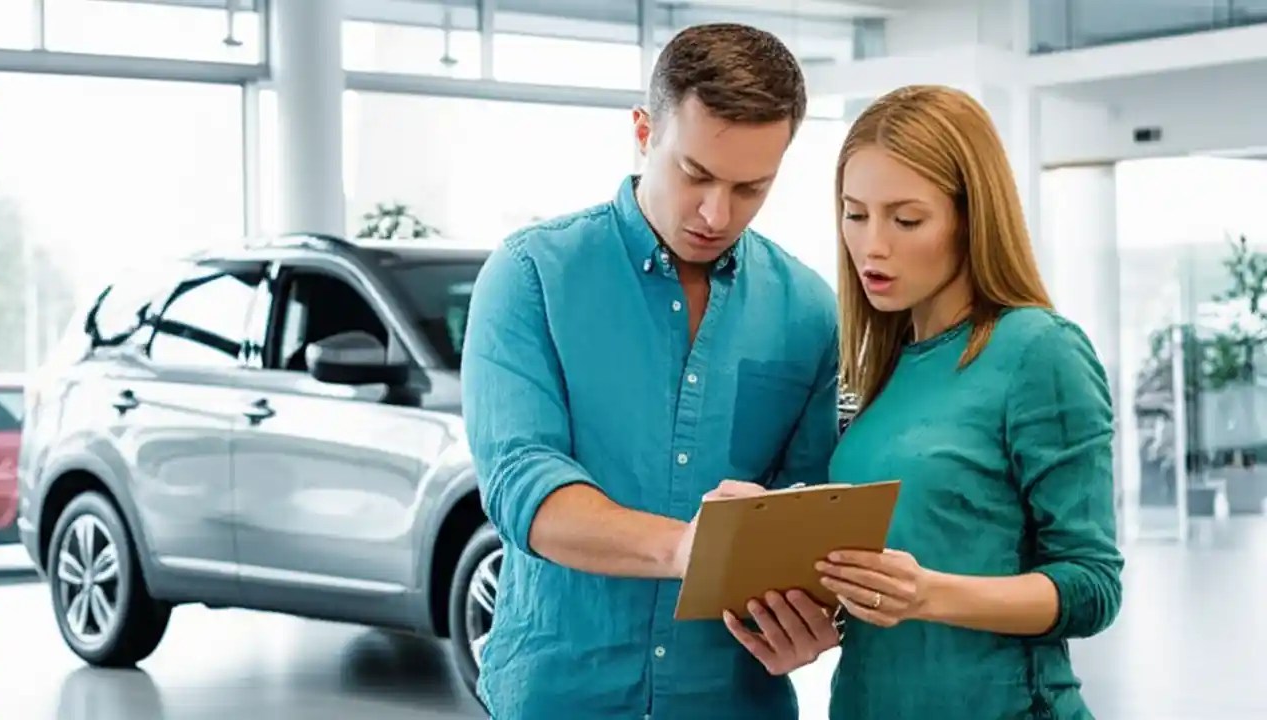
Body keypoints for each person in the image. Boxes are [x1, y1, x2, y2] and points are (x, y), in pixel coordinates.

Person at [460, 22, 843, 720]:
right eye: (695, 173)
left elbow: (805, 514)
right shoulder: (531, 277)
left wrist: (808, 626)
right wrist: (686, 548)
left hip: (734, 703)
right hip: (560, 699)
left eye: (751, 188)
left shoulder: (809, 311)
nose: (716, 213)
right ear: (644, 132)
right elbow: (522, 485)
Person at [726, 85, 1125, 718]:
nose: (871, 245)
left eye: (906, 219)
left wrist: (929, 595)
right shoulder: (882, 365)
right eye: (855, 214)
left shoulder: (1039, 351)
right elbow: (896, 560)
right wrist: (779, 565)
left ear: (971, 217)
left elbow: (1093, 586)